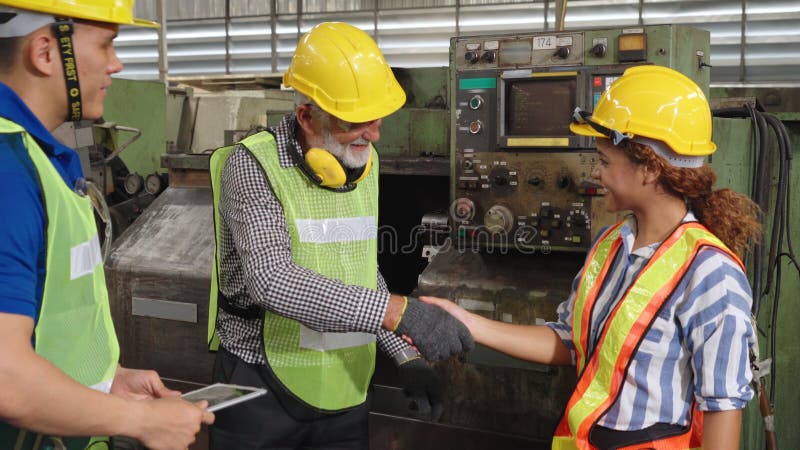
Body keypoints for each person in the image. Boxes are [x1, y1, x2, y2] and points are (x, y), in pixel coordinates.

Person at [421, 65, 761, 450]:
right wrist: (467, 322)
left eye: (604, 160)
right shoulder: (610, 245)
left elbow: (722, 410)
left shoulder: (711, 274)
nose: (594, 173)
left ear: (649, 168)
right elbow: (569, 342)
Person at [207, 22, 473, 450]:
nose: (373, 134)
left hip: (343, 385)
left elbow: (359, 268)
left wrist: (404, 354)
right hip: (260, 387)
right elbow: (272, 280)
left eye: (377, 119)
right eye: (356, 122)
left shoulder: (363, 162)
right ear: (307, 117)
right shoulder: (253, 165)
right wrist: (399, 313)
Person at [0, 1, 214, 449]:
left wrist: (103, 382)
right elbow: (7, 377)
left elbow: (49, 324)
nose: (116, 64)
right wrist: (139, 419)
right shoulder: (7, 170)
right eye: (106, 44)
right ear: (44, 52)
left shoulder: (37, 157)